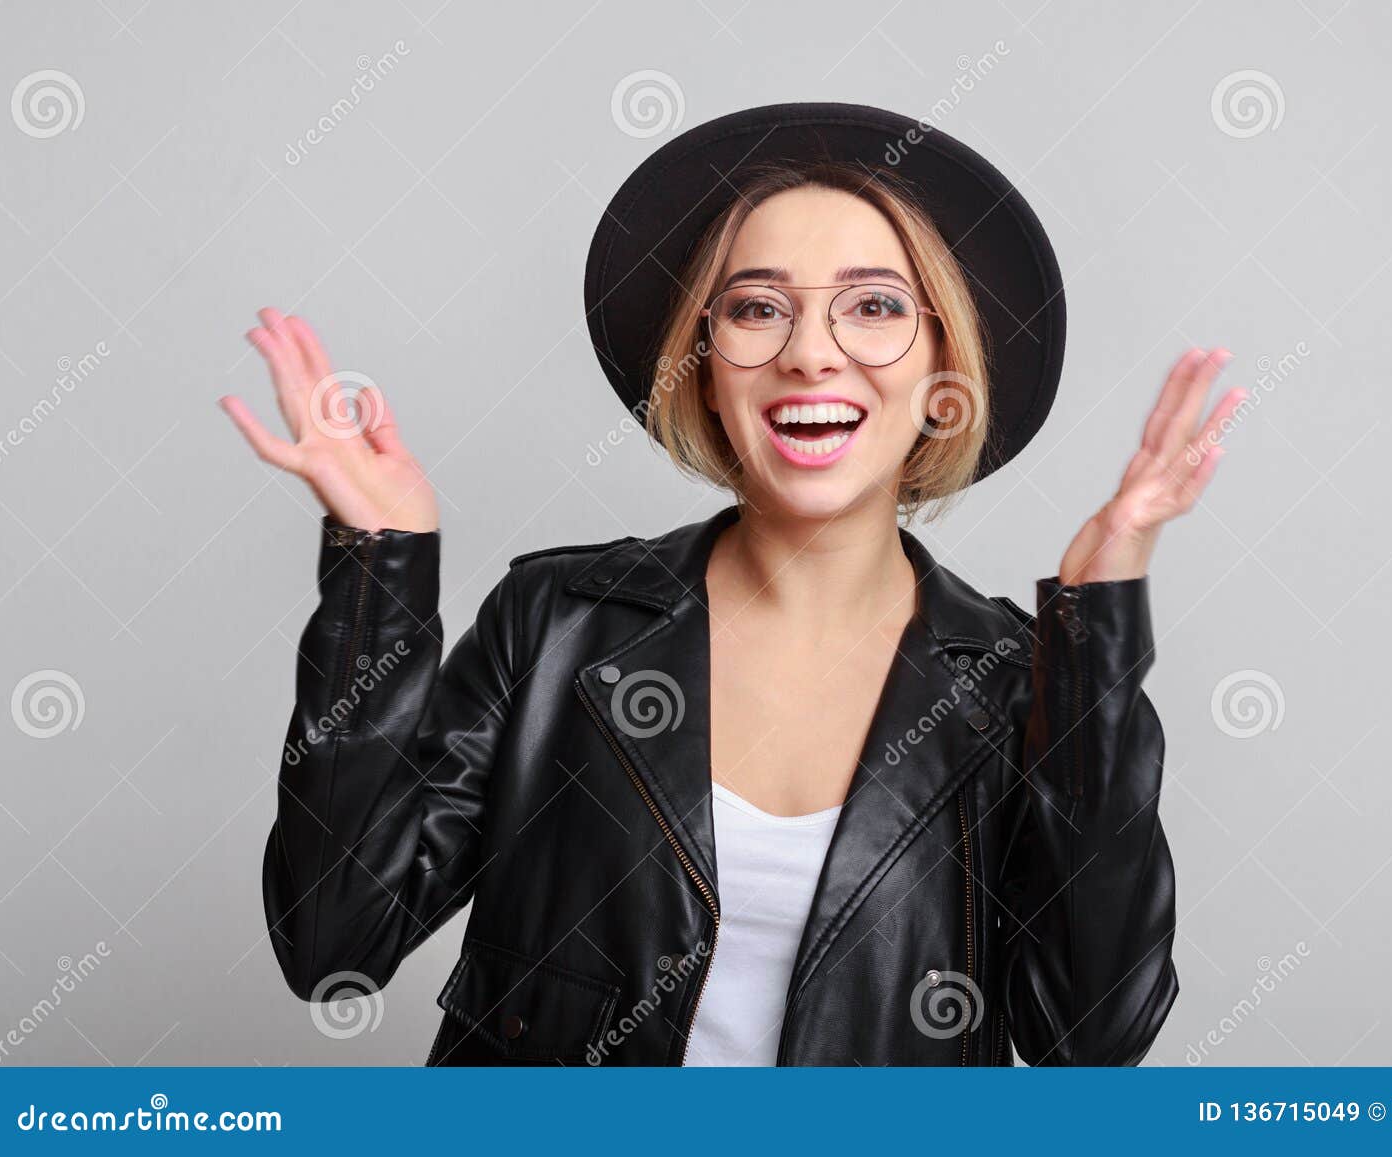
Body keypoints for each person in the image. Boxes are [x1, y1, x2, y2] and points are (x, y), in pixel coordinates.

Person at [221, 102, 1242, 1066]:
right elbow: (332, 941)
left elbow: (1091, 1035)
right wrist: (379, 567)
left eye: (875, 306)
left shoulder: (1023, 687)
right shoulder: (559, 625)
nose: (808, 353)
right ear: (705, 364)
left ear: (943, 370)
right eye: (757, 308)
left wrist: (1095, 641)